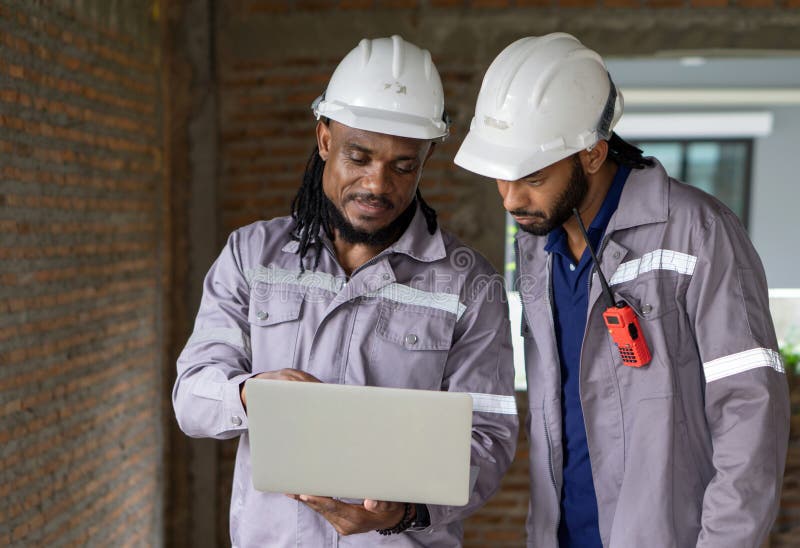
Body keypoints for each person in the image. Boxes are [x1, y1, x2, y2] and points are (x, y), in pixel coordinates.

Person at [173, 35, 518, 547]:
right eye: (359, 157)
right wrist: (251, 394)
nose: (378, 185)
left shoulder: (471, 283)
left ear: (425, 158)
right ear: (324, 139)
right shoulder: (252, 256)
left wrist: (403, 512)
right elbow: (192, 397)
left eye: (404, 166)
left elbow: (489, 436)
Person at [454, 32, 790, 548]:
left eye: (532, 177)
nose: (510, 199)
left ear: (592, 154)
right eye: (501, 177)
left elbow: (750, 413)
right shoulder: (536, 245)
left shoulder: (697, 232)